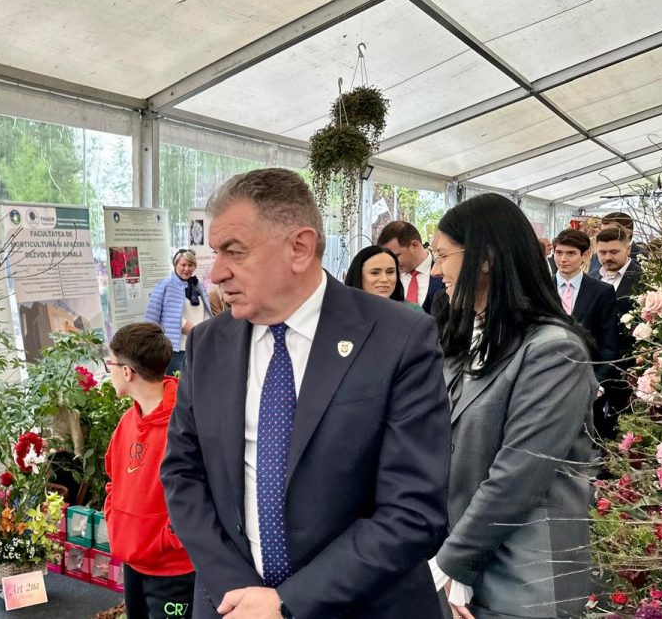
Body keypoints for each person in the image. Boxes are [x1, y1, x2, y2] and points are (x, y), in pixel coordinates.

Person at [161, 168, 450, 619]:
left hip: (362, 606)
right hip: (232, 605)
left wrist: (285, 604)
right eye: (215, 253)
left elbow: (413, 511)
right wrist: (238, 591)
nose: (216, 273)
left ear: (299, 247)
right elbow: (182, 473)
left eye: (233, 252)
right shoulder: (207, 344)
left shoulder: (399, 337)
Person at [429, 194, 595, 619]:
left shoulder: (554, 351)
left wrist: (453, 564)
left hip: (523, 577)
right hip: (467, 560)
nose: (435, 270)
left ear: (484, 259)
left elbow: (518, 473)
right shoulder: (470, 337)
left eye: (442, 256)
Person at [104, 322, 195, 619]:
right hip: (134, 564)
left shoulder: (185, 424)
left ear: (127, 372)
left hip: (174, 571)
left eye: (111, 363)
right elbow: (113, 482)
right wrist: (116, 521)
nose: (110, 371)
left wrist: (164, 540)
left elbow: (202, 496)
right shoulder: (126, 423)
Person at [590, 226, 643, 438]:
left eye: (614, 252)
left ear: (627, 249)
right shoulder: (593, 277)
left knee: (624, 420)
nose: (608, 257)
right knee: (596, 419)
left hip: (628, 362)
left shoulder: (642, 278)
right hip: (598, 362)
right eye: (602, 253)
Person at [552, 229, 618, 387]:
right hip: (547, 377)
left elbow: (609, 342)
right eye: (558, 253)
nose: (563, 259)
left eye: (571, 253)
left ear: (585, 255)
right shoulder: (540, 288)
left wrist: (598, 385)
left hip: (587, 377)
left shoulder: (602, 291)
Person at [145, 249, 213, 375]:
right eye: (183, 265)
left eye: (190, 265)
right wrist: (182, 325)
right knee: (177, 386)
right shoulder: (165, 286)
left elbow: (207, 312)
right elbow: (151, 318)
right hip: (177, 349)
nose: (187, 269)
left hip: (198, 345)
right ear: (175, 265)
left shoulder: (198, 286)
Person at [377, 220, 445, 313]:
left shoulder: (445, 271)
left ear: (414, 245)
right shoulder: (386, 279)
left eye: (396, 256)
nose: (392, 263)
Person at [343, 245, 419, 309]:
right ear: (358, 275)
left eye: (390, 272)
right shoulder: (342, 312)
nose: (384, 279)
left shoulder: (413, 312)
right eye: (375, 273)